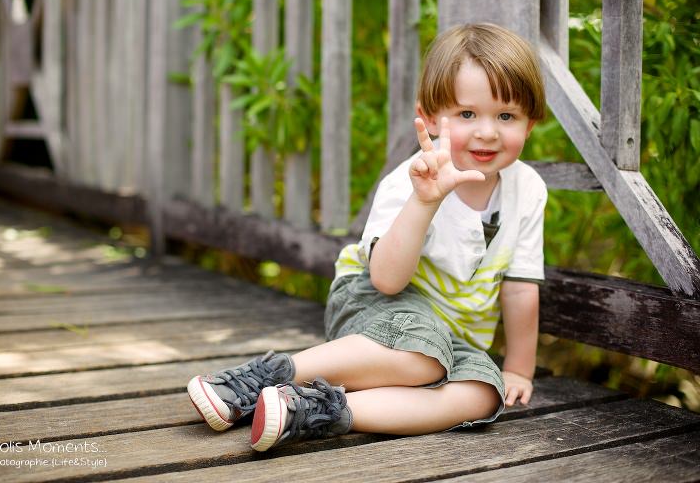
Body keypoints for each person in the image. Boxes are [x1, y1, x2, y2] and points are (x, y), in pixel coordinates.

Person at [188, 23, 547, 452]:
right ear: (431, 118)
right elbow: (387, 280)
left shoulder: (528, 190)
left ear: (529, 123)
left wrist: (519, 370)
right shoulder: (411, 183)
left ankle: (316, 411)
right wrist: (425, 202)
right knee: (424, 353)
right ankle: (266, 377)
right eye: (467, 114)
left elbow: (521, 287)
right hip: (377, 306)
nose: (487, 131)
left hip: (451, 342)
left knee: (483, 392)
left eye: (506, 116)